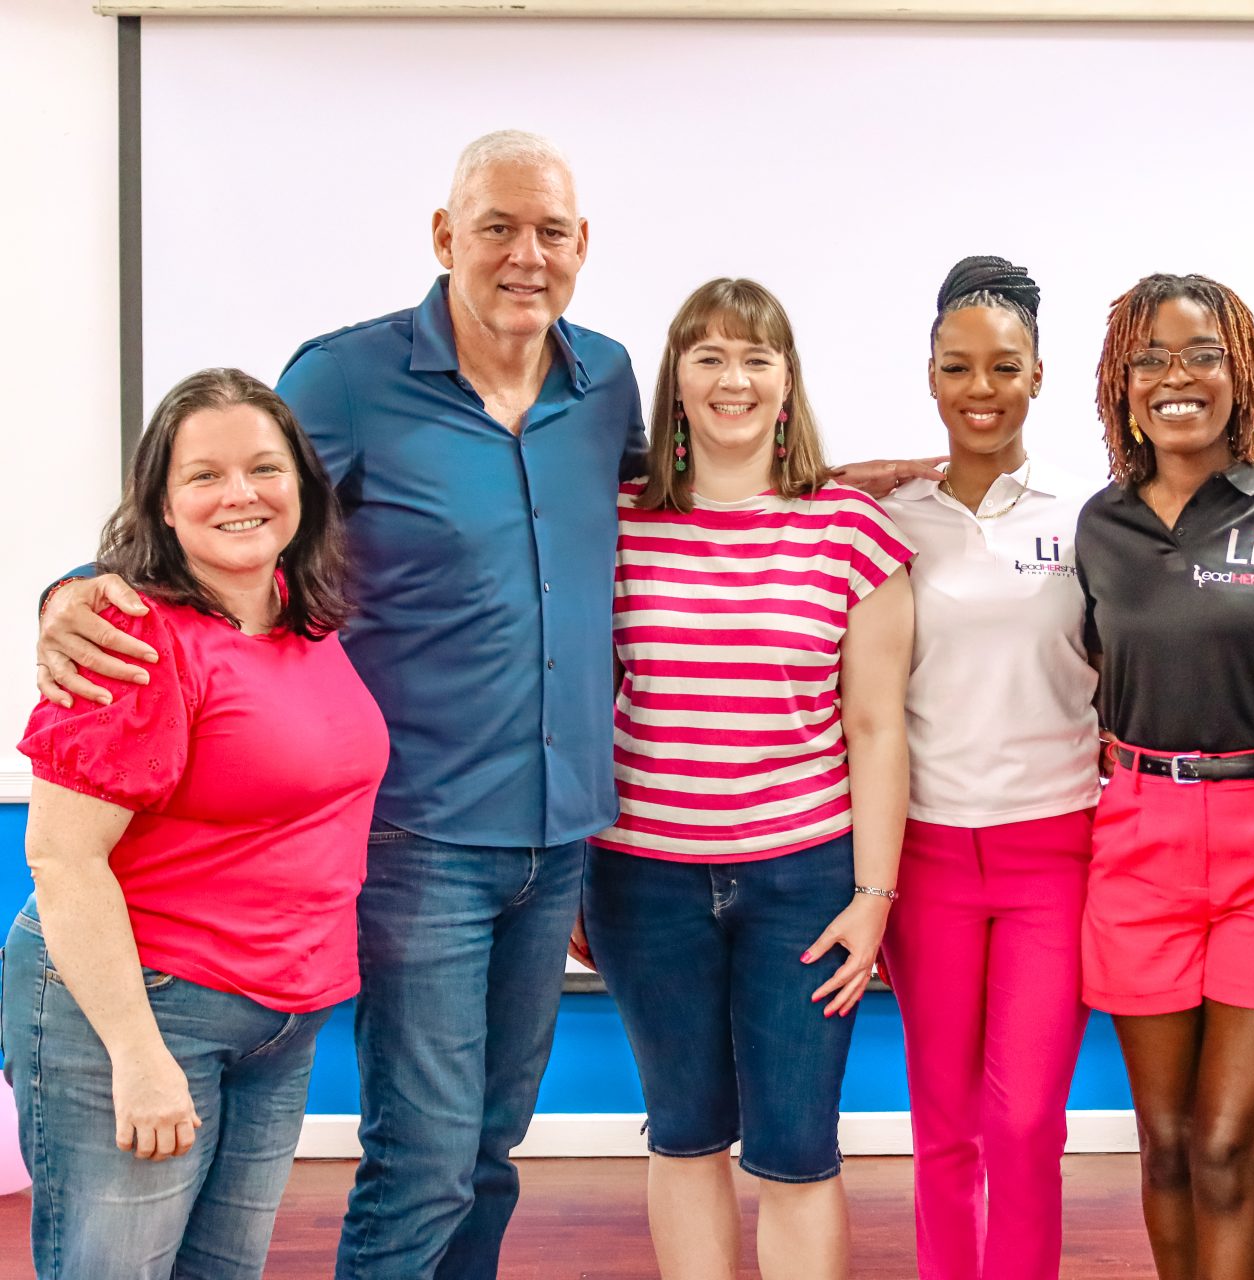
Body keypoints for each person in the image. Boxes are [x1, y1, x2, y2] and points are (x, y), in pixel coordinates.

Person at [32, 132, 936, 1278]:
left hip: (562, 838)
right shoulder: (347, 377)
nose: (525, 255)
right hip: (420, 835)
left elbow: (711, 474)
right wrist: (77, 583)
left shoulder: (601, 378)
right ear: (444, 235)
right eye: (498, 227)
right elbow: (228, 488)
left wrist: (844, 483)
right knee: (424, 1153)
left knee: (492, 1149)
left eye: (550, 232)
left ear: (581, 247)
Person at [5, 369, 388, 1279]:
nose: (241, 494)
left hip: (280, 1018)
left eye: (264, 467)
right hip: (144, 1008)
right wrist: (137, 1056)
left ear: (302, 481)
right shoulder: (131, 640)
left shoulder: (304, 620)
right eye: (204, 475)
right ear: (164, 506)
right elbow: (61, 858)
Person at [575, 277, 915, 1280]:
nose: (734, 378)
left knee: (798, 1146)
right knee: (683, 1130)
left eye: (756, 357)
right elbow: (581, 697)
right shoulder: (620, 521)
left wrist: (874, 896)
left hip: (804, 883)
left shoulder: (851, 530)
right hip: (642, 878)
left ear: (786, 380)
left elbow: (878, 726)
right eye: (709, 355)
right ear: (675, 381)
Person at [1072, 273, 1254, 1280]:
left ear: (1244, 374)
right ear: (1121, 384)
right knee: (1167, 1144)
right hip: (1136, 836)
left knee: (1230, 1146)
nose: (1176, 377)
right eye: (1150, 358)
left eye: (1201, 354)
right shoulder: (1097, 527)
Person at [876, 255, 1102, 1280]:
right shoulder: (888, 519)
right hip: (924, 858)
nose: (981, 387)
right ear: (930, 376)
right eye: (958, 366)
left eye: (1004, 366)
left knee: (1025, 1124)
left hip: (1053, 853)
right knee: (945, 1126)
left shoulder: (1086, 518)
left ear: (1038, 374)